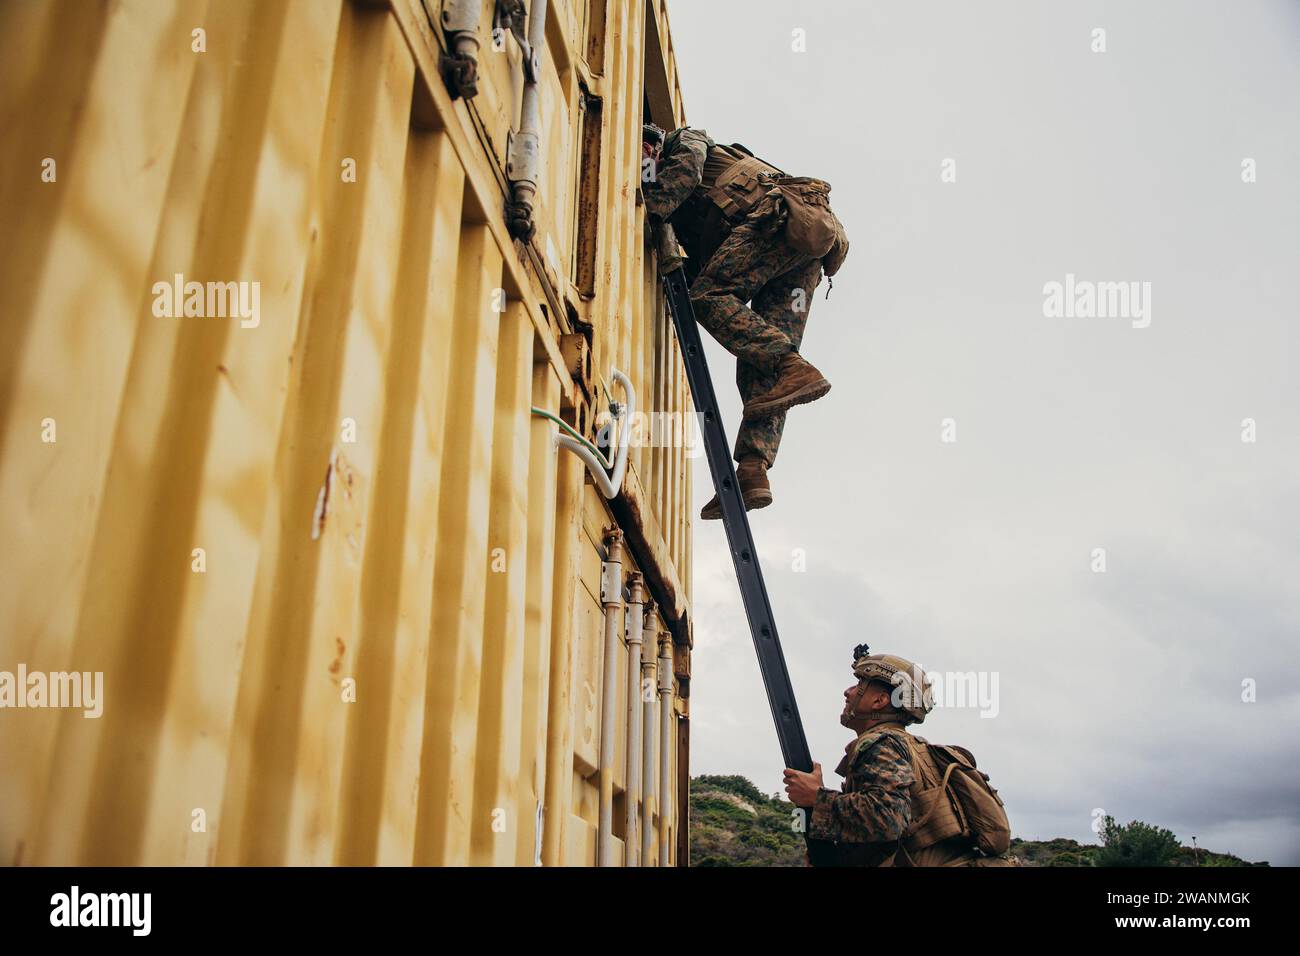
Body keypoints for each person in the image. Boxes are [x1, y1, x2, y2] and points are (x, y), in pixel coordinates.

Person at [641, 123, 849, 519]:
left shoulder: (686, 140)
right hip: (802, 252)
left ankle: (791, 366)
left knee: (709, 298)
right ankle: (754, 470)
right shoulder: (696, 212)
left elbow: (685, 170)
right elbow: (717, 262)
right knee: (760, 357)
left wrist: (645, 211)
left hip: (775, 223)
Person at [782, 645, 1016, 866]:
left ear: (880, 701)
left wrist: (816, 798)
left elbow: (888, 818)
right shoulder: (912, 747)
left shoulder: (881, 744)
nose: (848, 691)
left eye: (860, 683)